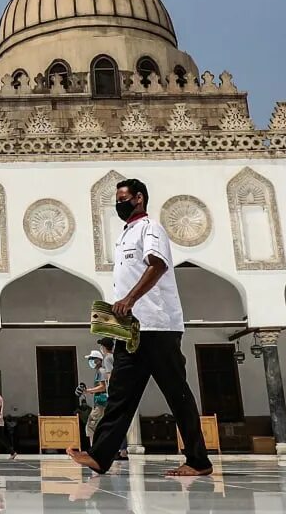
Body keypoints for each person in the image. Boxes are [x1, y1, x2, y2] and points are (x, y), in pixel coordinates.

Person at [66, 178, 213, 478]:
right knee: (120, 394)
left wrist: (130, 299)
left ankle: (198, 460)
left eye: (123, 198)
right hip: (132, 329)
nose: (119, 204)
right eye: (117, 199)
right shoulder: (125, 235)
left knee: (177, 394)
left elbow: (157, 265)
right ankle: (100, 456)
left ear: (139, 199)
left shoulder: (151, 229)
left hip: (158, 326)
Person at [85, 343, 116, 461]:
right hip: (100, 402)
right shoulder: (100, 371)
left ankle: (94, 450)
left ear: (98, 360)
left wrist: (88, 391)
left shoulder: (101, 371)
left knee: (92, 424)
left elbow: (102, 387)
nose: (90, 361)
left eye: (92, 359)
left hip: (101, 403)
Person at [75, 382, 91, 454]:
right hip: (81, 423)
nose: (84, 404)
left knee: (87, 434)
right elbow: (74, 413)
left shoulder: (89, 408)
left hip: (87, 422)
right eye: (83, 402)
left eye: (84, 402)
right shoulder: (79, 409)